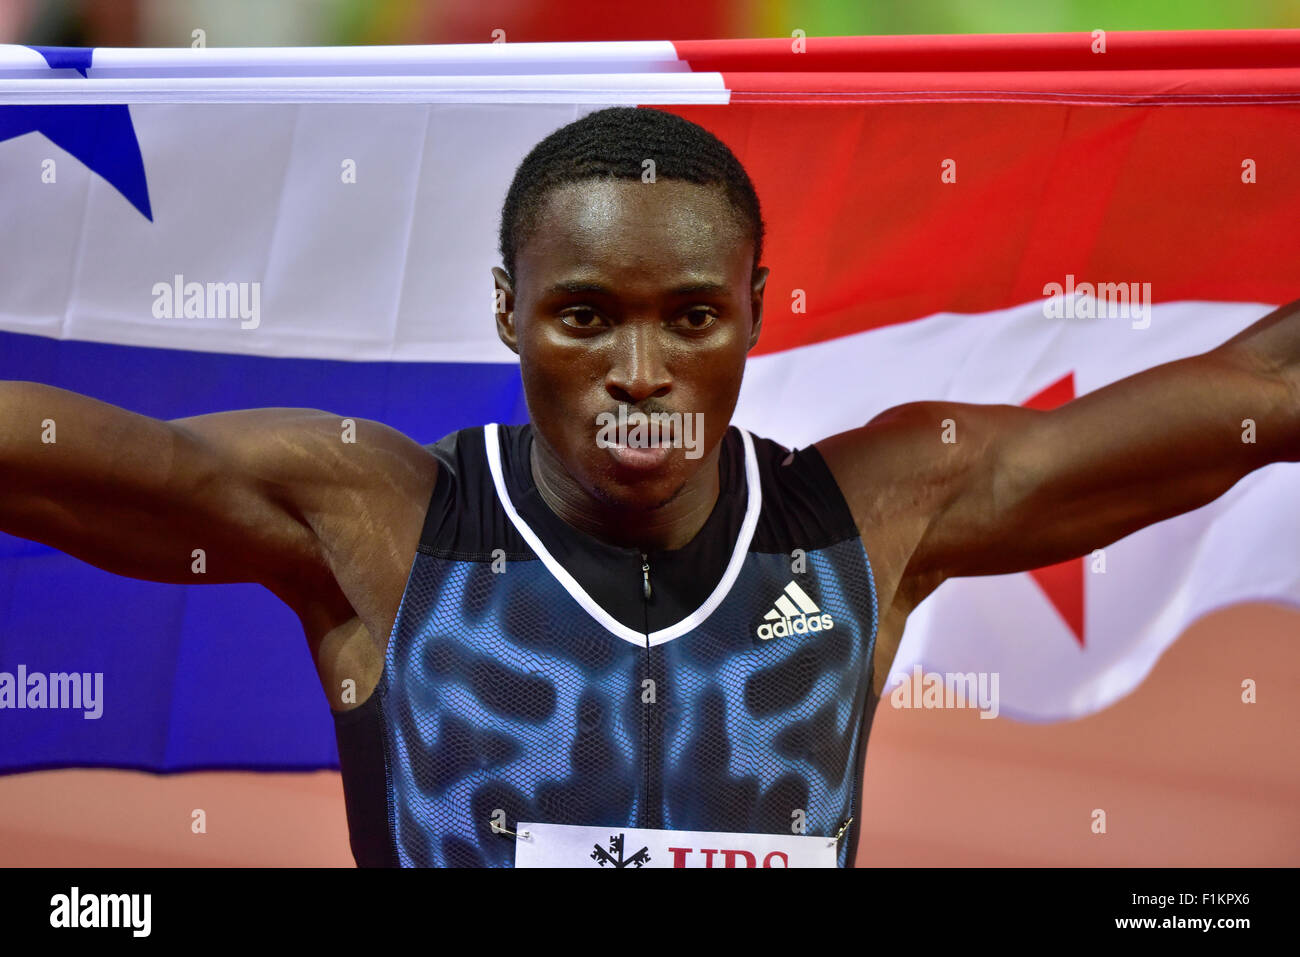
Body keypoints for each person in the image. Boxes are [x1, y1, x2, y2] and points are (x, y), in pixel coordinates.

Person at [2, 107, 1297, 867]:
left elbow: (1264, 394)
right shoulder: (380, 519)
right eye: (583, 317)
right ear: (508, 314)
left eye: (691, 317)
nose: (642, 372)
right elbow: (76, 456)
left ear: (755, 312)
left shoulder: (875, 514)